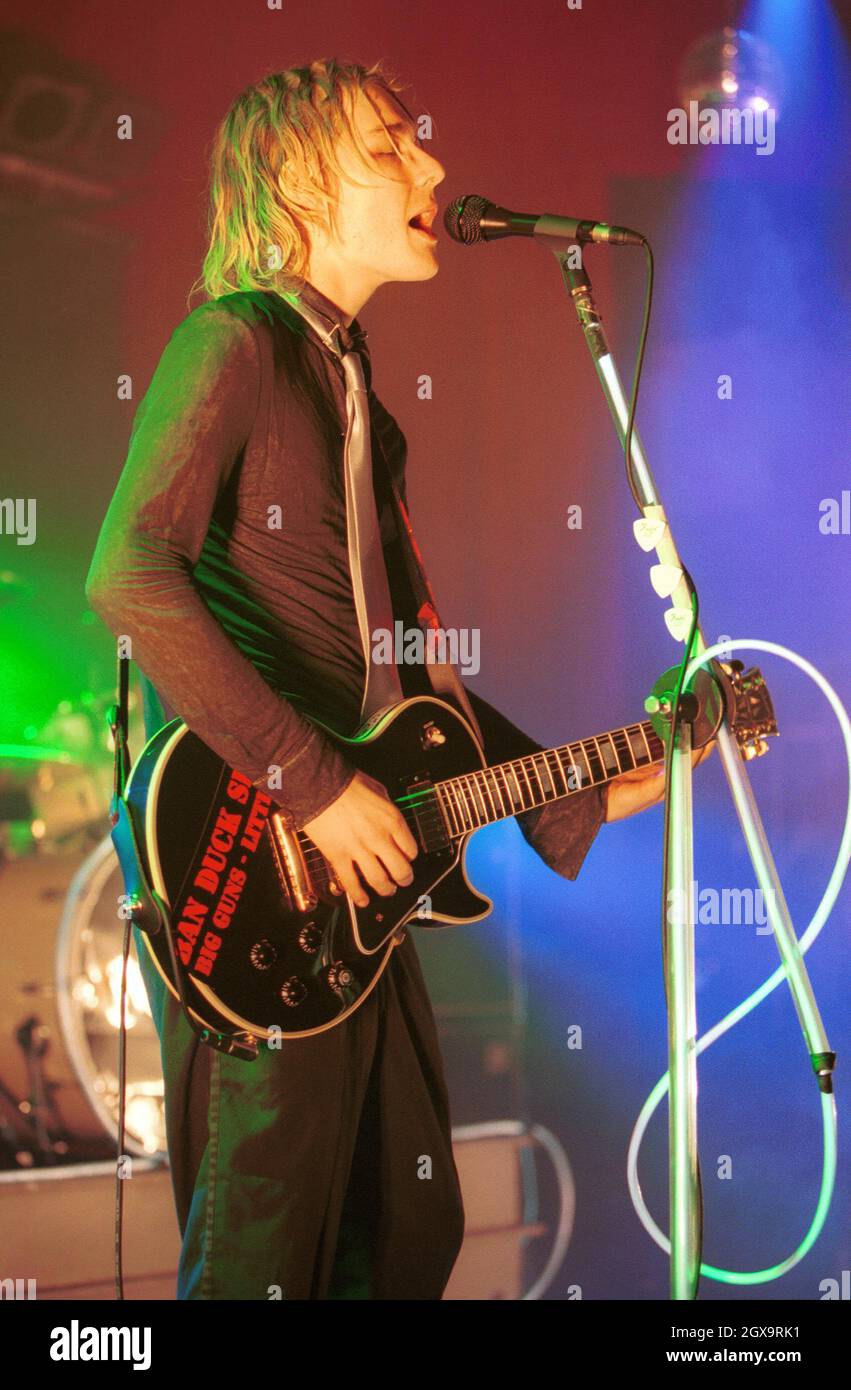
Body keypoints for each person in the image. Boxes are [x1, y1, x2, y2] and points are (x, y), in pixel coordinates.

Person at [85, 58, 698, 1300]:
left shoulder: (358, 389)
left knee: (398, 1239)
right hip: (253, 873)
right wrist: (310, 784)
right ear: (298, 179)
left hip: (352, 893)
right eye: (389, 148)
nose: (429, 169)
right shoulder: (236, 341)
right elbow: (128, 574)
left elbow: (408, 676)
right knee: (266, 1252)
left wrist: (579, 783)